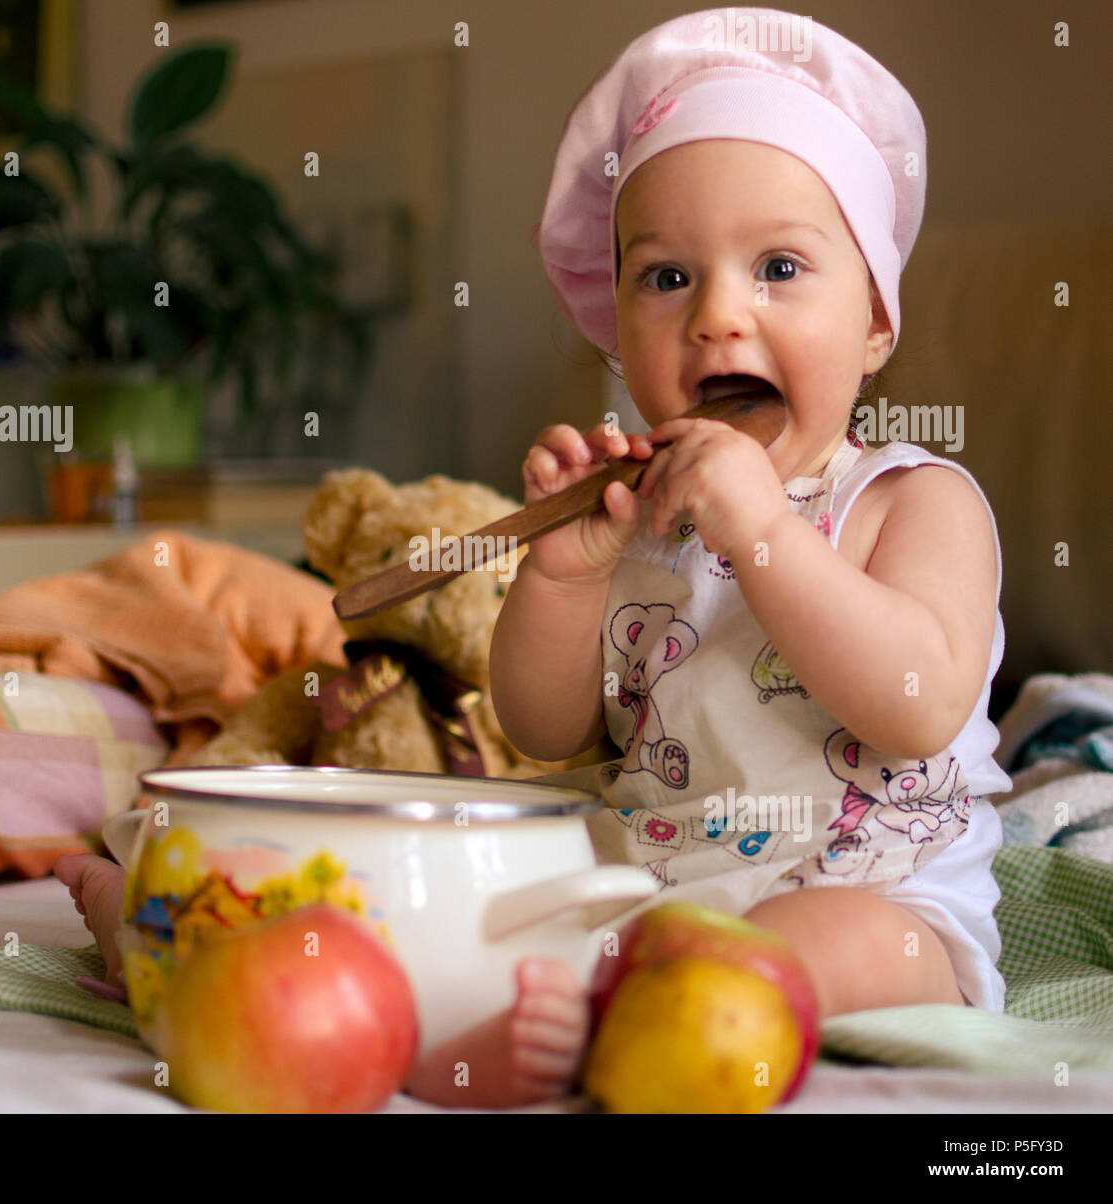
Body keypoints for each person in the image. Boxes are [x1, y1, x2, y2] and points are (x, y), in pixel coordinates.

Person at [57, 7, 1013, 1110]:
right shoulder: (645, 517)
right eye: (664, 278)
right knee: (446, 882)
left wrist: (761, 532)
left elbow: (917, 703)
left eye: (780, 266)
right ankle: (173, 918)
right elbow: (546, 730)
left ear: (876, 325)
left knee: (830, 941)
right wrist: (563, 569)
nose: (716, 317)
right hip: (639, 881)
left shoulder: (914, 500)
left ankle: (606, 1021)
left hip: (874, 896)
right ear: (616, 329)